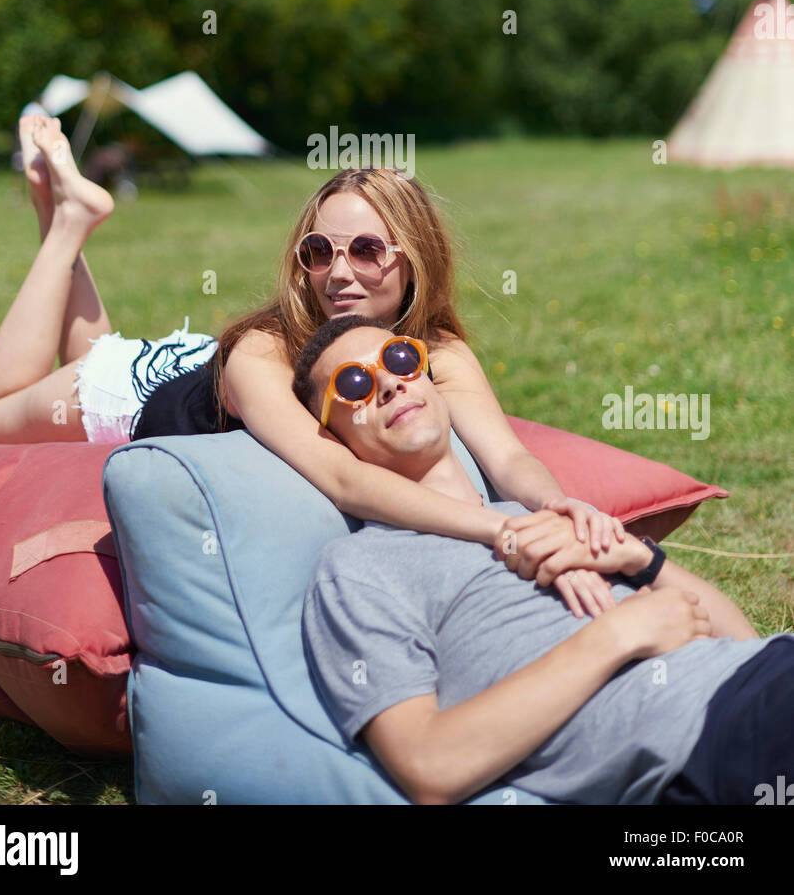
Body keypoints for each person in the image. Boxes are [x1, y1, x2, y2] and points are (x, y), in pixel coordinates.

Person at [0, 108, 623, 618]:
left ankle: (62, 206)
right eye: (319, 250)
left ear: (415, 256)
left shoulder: (437, 349)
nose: (338, 273)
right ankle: (64, 224)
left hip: (198, 365)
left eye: (367, 250)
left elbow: (505, 458)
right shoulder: (262, 349)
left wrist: (555, 507)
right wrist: (497, 532)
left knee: (86, 346)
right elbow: (339, 478)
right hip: (135, 389)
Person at [298, 316, 793, 806]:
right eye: (354, 384)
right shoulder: (357, 569)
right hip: (706, 737)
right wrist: (617, 637)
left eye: (400, 358)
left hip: (765, 674)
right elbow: (429, 767)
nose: (387, 384)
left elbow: (746, 642)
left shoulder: (537, 515)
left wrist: (641, 559)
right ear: (334, 437)